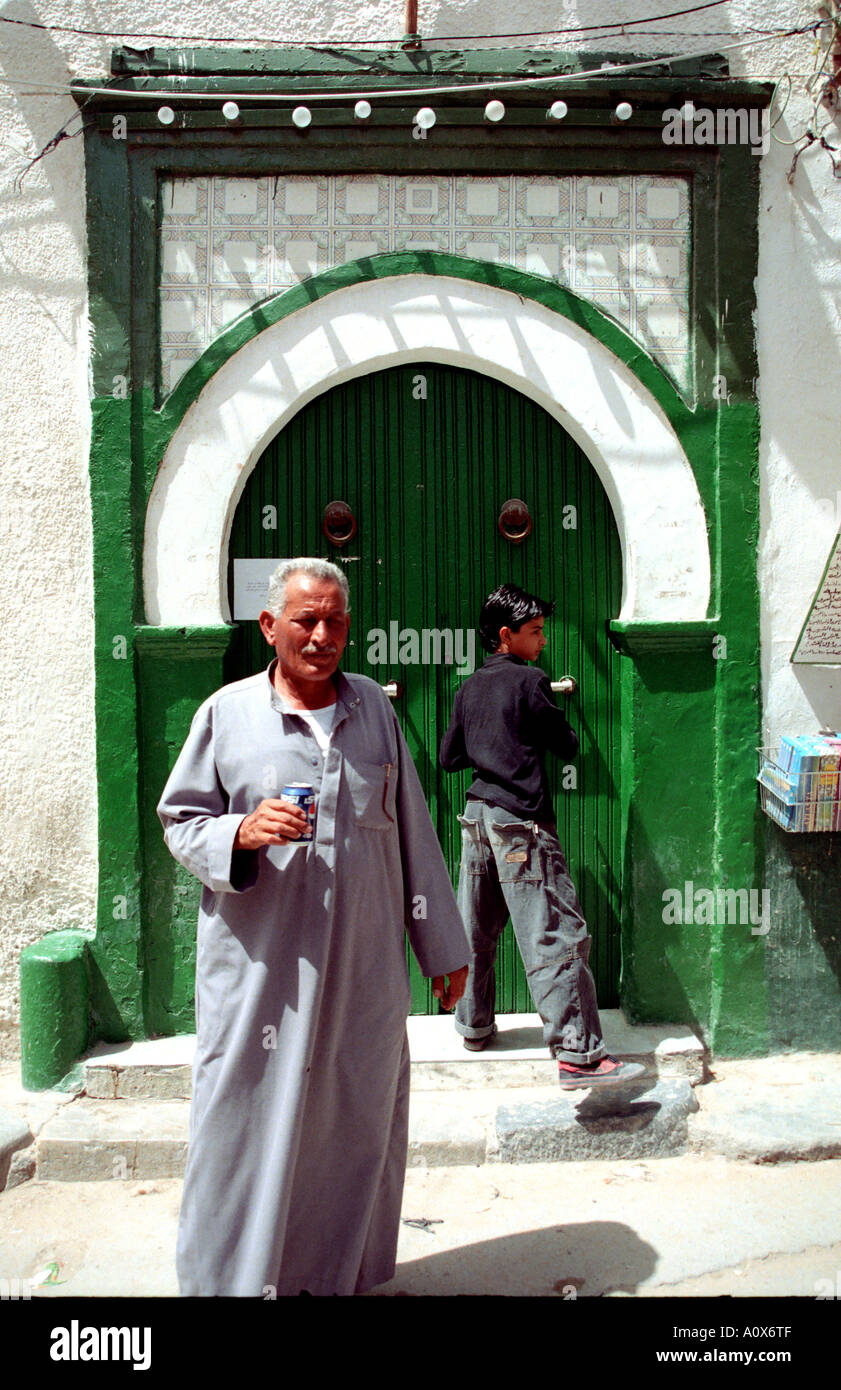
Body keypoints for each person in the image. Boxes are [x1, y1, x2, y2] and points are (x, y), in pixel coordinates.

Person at [158, 557, 469, 1296]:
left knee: (353, 1122)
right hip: (260, 970)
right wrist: (239, 831)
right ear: (270, 627)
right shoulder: (225, 714)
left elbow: (411, 832)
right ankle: (227, 1282)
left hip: (363, 969)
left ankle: (331, 1277)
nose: (321, 634)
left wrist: (442, 948)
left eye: (334, 620)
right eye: (305, 619)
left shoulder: (373, 710)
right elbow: (180, 820)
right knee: (241, 1121)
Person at [439, 583, 643, 1090]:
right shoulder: (530, 682)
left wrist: (490, 745)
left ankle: (475, 1024)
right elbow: (567, 744)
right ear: (506, 636)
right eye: (535, 632)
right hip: (519, 824)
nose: (543, 642)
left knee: (477, 930)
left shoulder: (468, 687)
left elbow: (449, 758)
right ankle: (579, 1053)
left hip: (476, 818)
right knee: (554, 930)